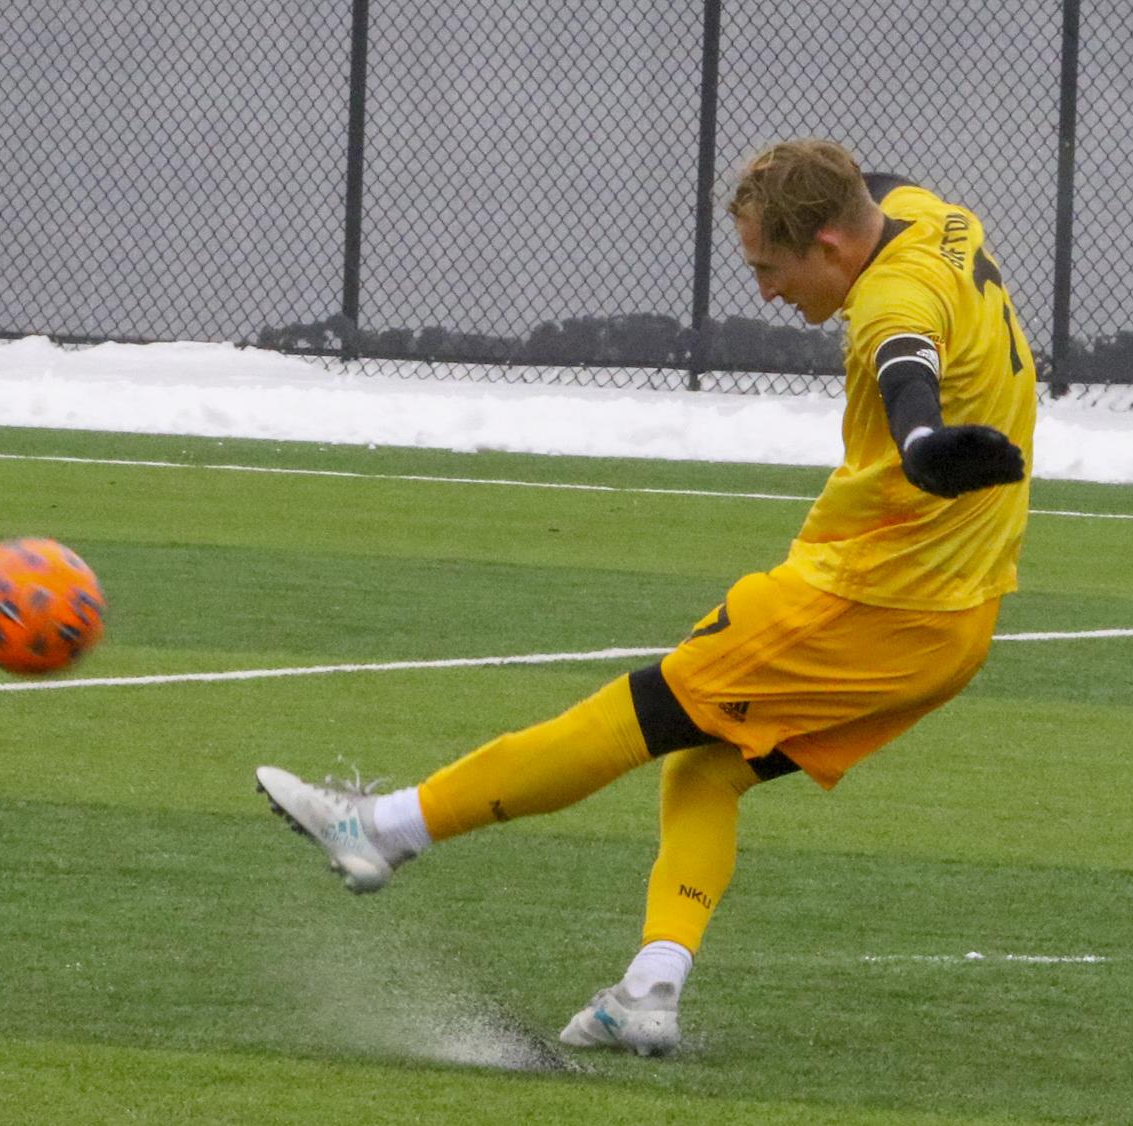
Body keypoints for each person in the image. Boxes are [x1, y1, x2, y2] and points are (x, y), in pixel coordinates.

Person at [255, 138, 1035, 1057]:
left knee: (637, 712)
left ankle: (386, 829)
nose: (766, 293)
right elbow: (873, 195)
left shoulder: (889, 303)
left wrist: (920, 449)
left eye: (769, 268)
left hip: (860, 605)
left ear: (830, 244)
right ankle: (648, 992)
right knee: (706, 769)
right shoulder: (935, 214)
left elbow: (906, 365)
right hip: (954, 625)